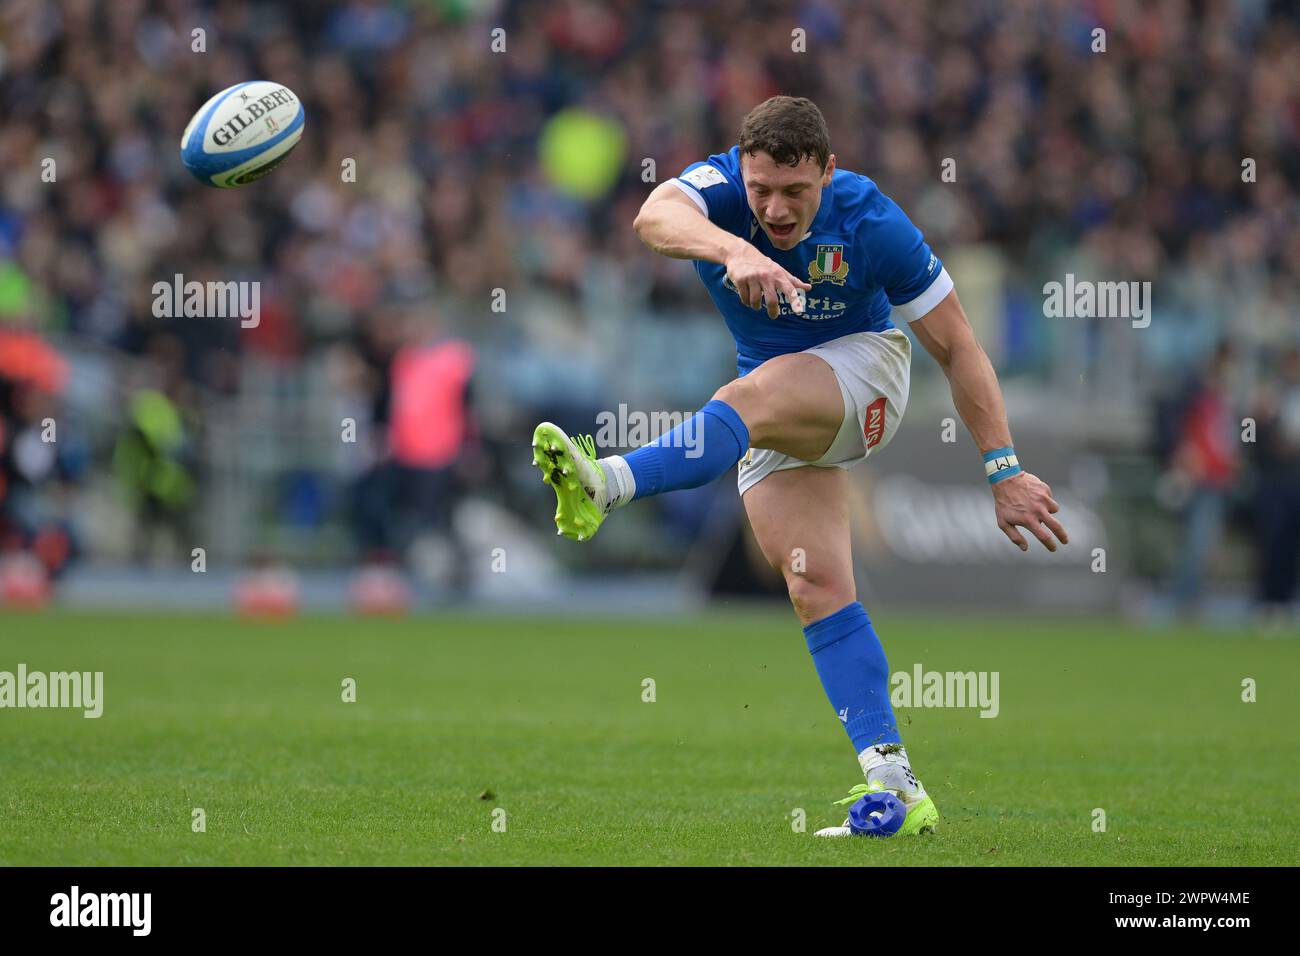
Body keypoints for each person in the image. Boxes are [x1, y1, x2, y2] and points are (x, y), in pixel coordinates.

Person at [530, 96, 1068, 837]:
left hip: (866, 377)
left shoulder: (871, 220)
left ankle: (609, 483)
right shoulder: (722, 195)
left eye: (796, 191)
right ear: (741, 175)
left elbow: (958, 347)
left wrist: (1003, 468)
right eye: (762, 192)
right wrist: (733, 248)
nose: (777, 210)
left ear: (829, 172)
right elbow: (652, 216)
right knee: (816, 587)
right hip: (779, 409)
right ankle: (899, 789)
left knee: (745, 396)